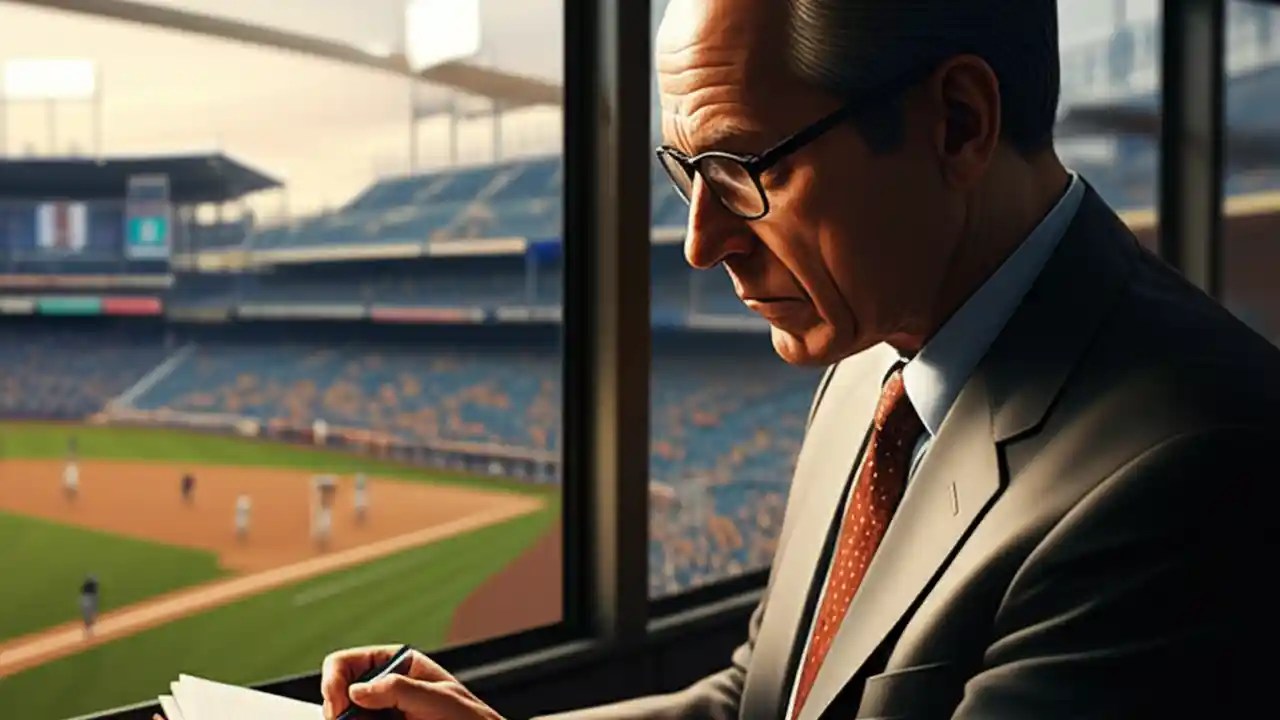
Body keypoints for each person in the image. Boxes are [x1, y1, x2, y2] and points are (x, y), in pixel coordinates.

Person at [320, 1, 1280, 718]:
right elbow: (768, 694)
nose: (702, 242)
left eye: (742, 169)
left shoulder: (1197, 471)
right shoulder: (872, 365)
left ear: (958, 122)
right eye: (686, 172)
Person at [79, 574, 99, 639]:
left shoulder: (84, 589)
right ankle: (89, 633)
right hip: (89, 603)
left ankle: (87, 632)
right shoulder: (93, 591)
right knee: (90, 619)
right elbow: (95, 601)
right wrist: (95, 611)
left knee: (87, 619)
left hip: (84, 603)